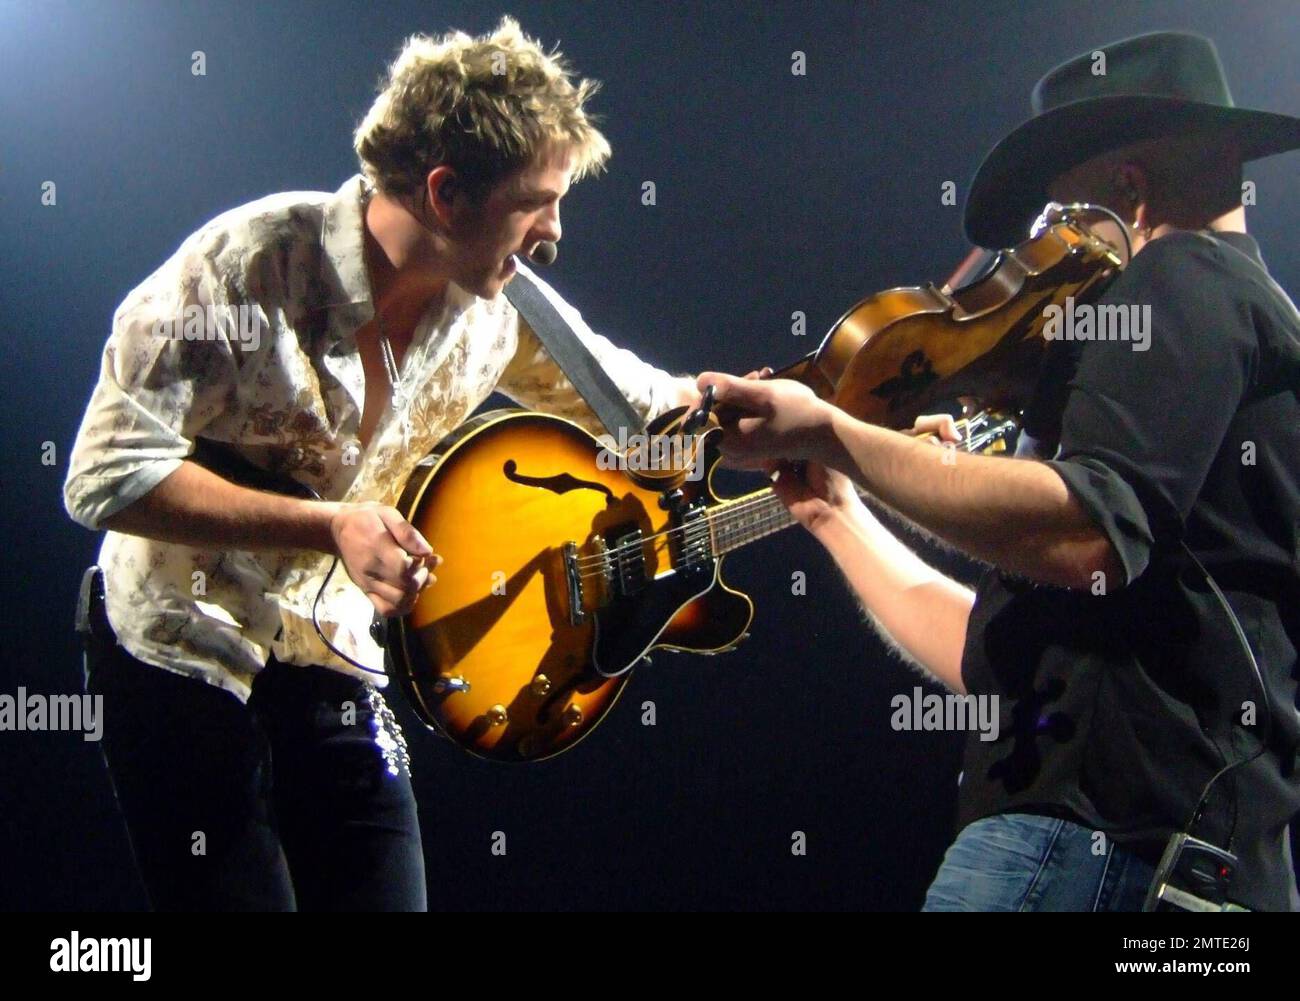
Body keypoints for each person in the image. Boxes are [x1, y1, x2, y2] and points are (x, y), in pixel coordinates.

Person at [64, 17, 698, 911]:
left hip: (328, 654)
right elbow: (101, 474)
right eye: (536, 201)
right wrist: (329, 524)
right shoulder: (247, 265)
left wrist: (841, 416)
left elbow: (650, 412)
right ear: (445, 193)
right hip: (178, 646)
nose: (554, 231)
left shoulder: (498, 309)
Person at [699, 31, 1300, 911]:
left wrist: (836, 430)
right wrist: (836, 512)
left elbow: (1088, 530)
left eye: (1059, 216)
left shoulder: (1183, 275)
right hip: (1190, 882)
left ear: (1129, 192)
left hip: (1093, 857)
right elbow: (994, 667)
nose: (1040, 252)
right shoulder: (1241, 335)